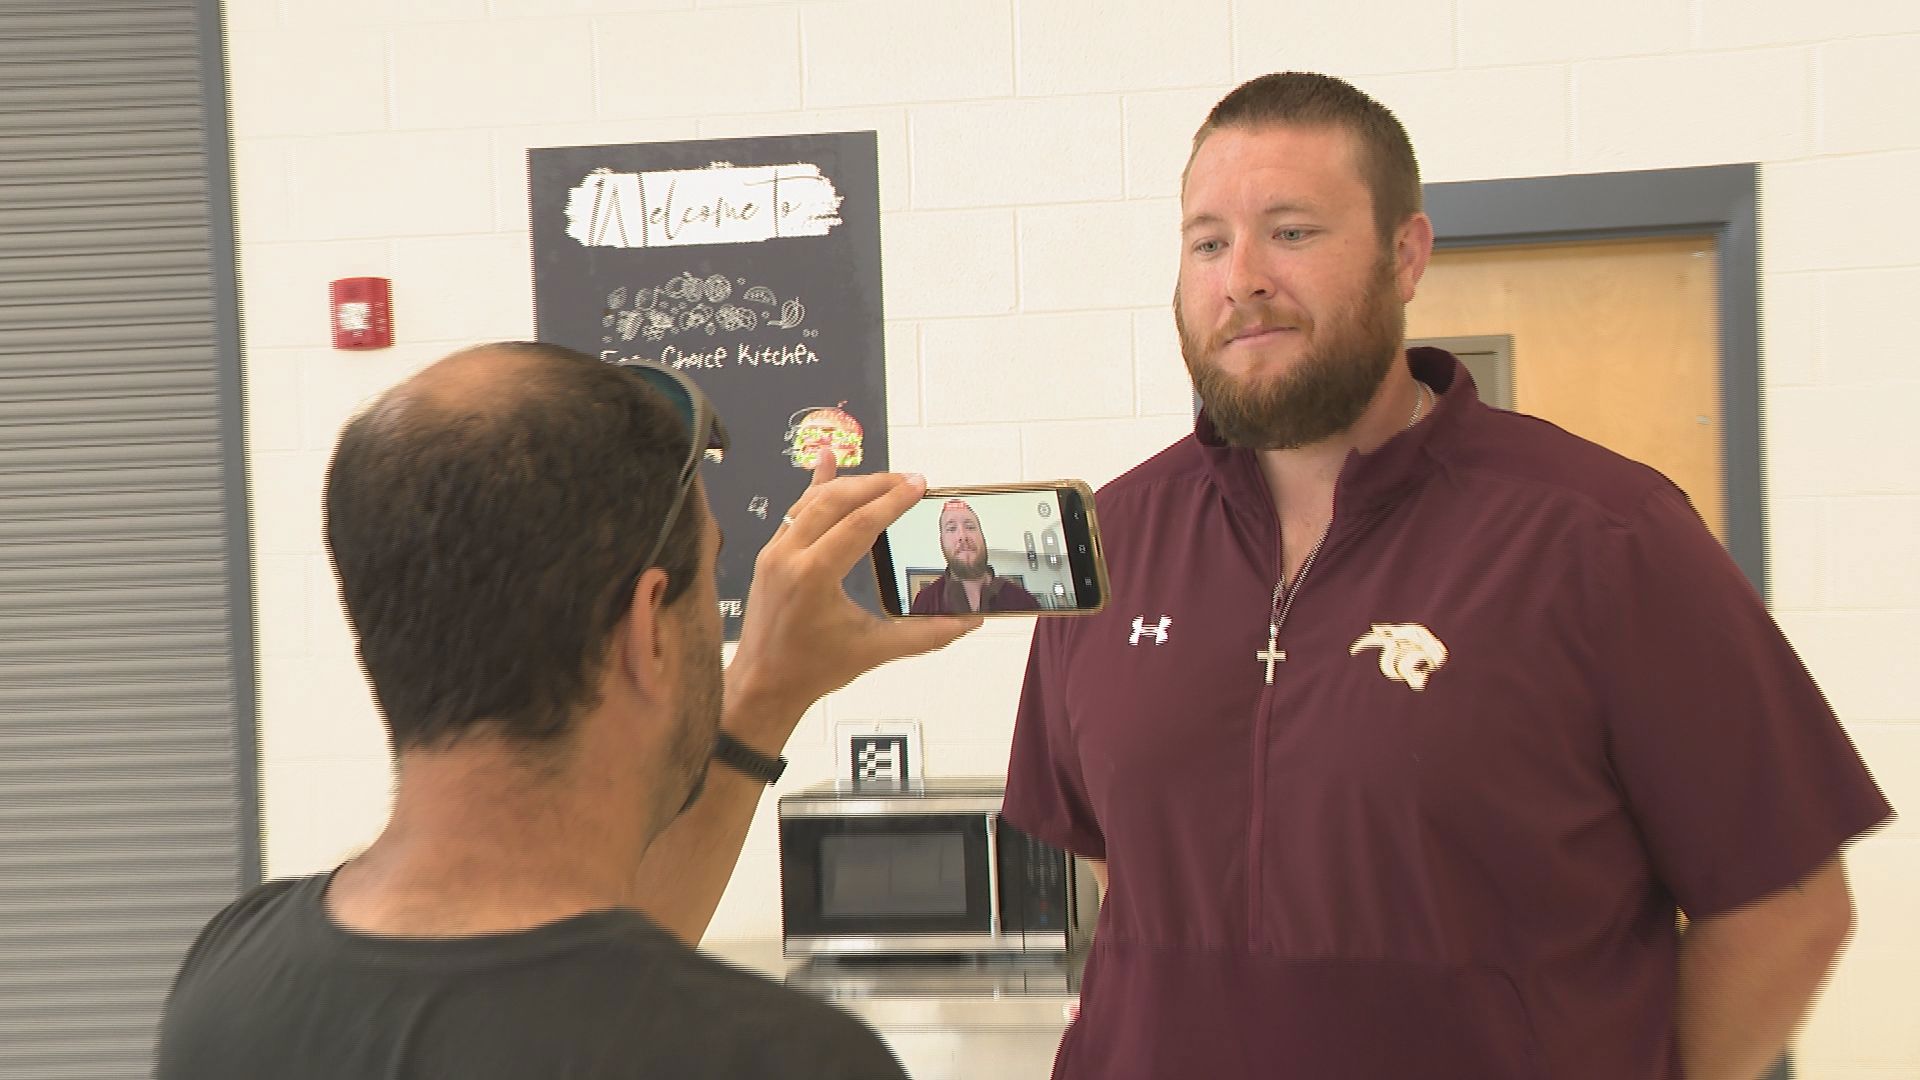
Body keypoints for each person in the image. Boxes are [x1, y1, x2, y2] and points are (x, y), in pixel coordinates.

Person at [1002, 72, 1892, 1080]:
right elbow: (1120, 866)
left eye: (1291, 232)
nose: (1241, 277)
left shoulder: (1604, 537)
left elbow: (1789, 909)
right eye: (1207, 242)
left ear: (1407, 256)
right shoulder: (1107, 543)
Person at [155, 342, 979, 1079]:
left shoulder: (229, 978)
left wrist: (763, 694)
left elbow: (555, 982)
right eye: (713, 568)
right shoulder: (784, 1059)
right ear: (647, 628)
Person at [909, 498, 1042, 614]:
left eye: (970, 527)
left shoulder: (1023, 602)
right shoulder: (925, 603)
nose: (963, 536)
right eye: (951, 528)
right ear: (941, 542)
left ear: (983, 537)